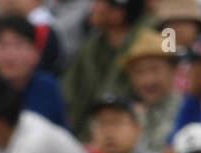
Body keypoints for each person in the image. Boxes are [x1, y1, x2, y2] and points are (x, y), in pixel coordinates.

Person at [62, 0, 149, 139]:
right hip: (78, 142)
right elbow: (67, 96)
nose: (93, 7)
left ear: (117, 14)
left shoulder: (141, 51)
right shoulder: (92, 46)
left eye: (99, 2)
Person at [0, 14, 67, 129]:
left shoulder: (46, 86)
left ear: (36, 53)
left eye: (19, 45)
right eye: (3, 45)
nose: (11, 55)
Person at [120, 28, 182, 153]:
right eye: (139, 72)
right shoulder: (132, 117)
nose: (148, 81)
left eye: (154, 69)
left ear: (173, 70)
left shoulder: (184, 109)